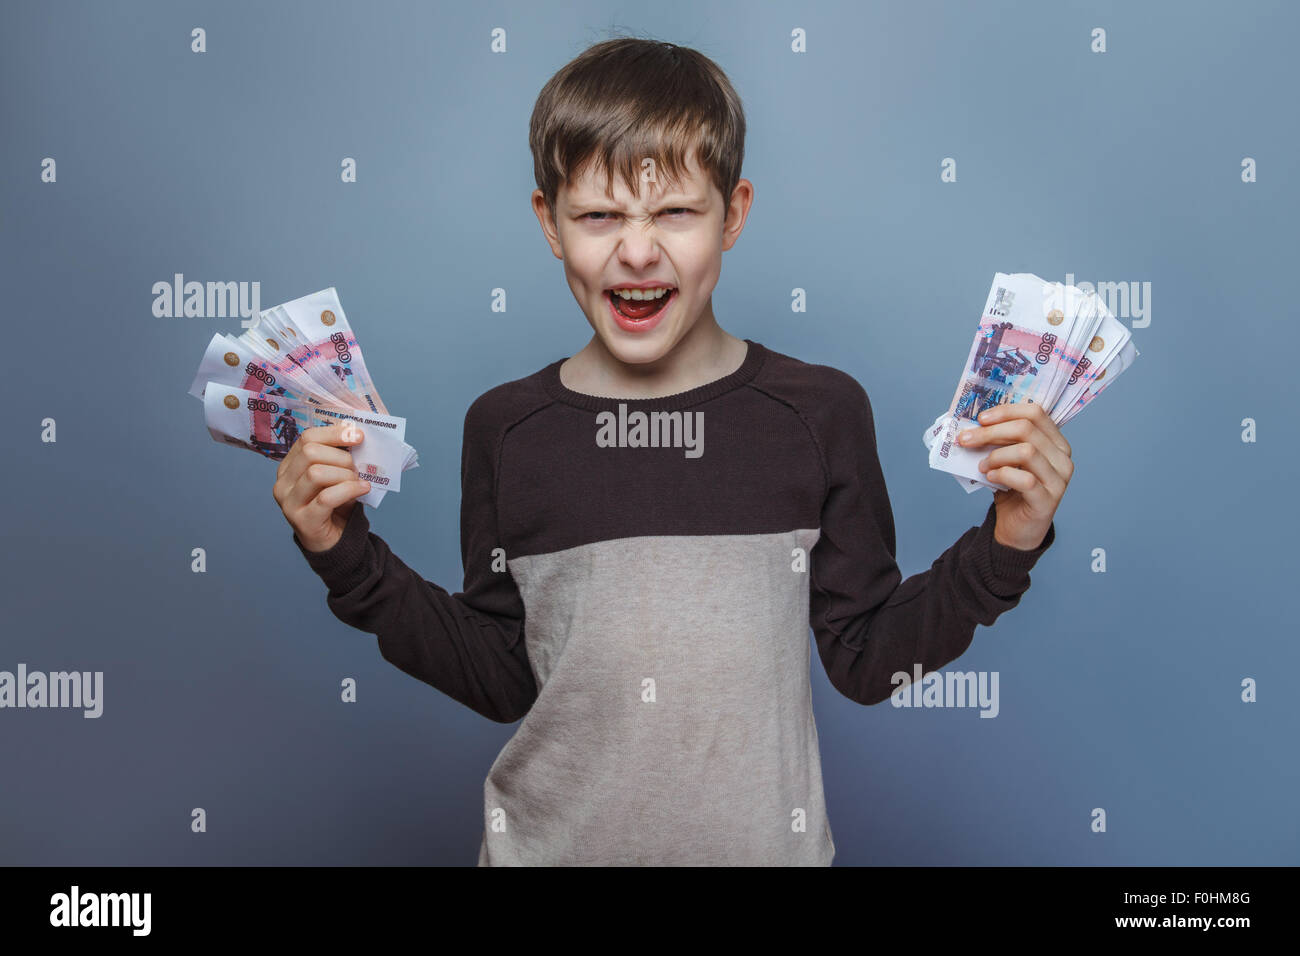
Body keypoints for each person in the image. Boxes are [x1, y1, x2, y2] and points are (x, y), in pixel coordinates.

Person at [271, 37, 1070, 866]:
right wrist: (344, 555)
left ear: (736, 212)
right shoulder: (505, 430)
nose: (639, 250)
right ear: (549, 222)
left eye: (676, 212)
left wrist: (1007, 543)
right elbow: (505, 674)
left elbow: (869, 660)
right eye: (599, 215)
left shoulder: (820, 414)